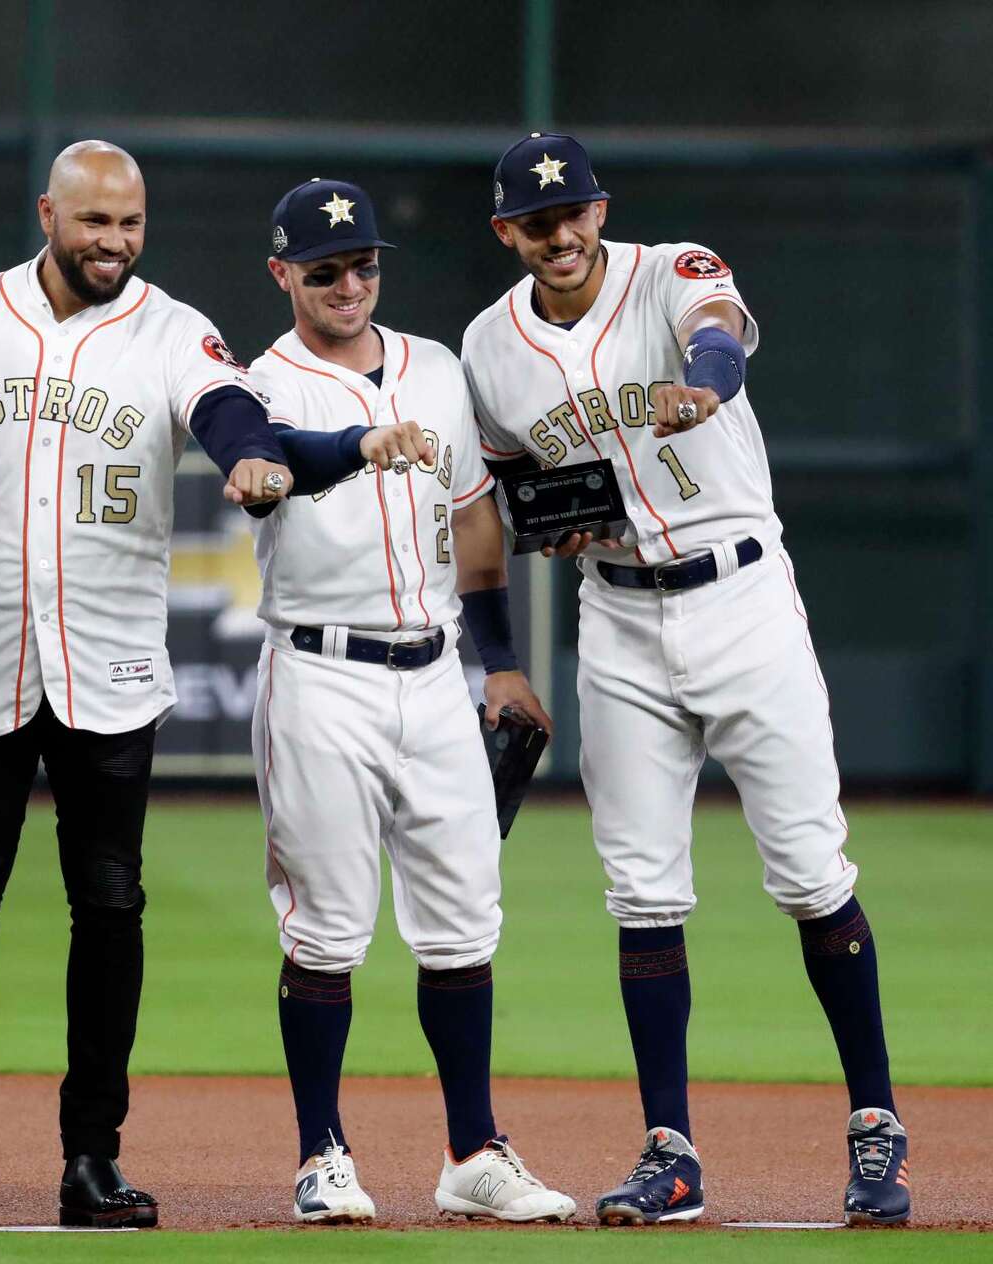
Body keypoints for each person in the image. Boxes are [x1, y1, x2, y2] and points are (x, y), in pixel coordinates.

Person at [461, 133, 908, 1228]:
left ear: (601, 211)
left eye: (577, 212)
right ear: (506, 232)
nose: (561, 234)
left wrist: (702, 388)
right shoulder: (488, 346)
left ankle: (877, 1129)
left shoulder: (676, 270)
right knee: (643, 890)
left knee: (810, 871)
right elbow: (505, 496)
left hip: (744, 597)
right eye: (537, 220)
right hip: (615, 615)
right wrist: (513, 623)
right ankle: (671, 1152)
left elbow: (720, 338)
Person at [0, 140, 295, 1230]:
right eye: (95, 221)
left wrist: (249, 456)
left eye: (131, 223)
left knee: (110, 906)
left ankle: (92, 1158)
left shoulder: (170, 325)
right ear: (47, 214)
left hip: (109, 664)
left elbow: (224, 404)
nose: (114, 242)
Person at [243, 177, 577, 1227]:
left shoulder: (434, 366)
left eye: (366, 263)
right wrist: (349, 452)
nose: (350, 282)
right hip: (321, 671)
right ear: (284, 272)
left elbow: (476, 521)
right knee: (328, 927)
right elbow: (269, 464)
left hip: (436, 673)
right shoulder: (264, 383)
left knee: (465, 919)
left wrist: (502, 661)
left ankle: (473, 1149)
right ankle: (321, 1154)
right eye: (327, 267)